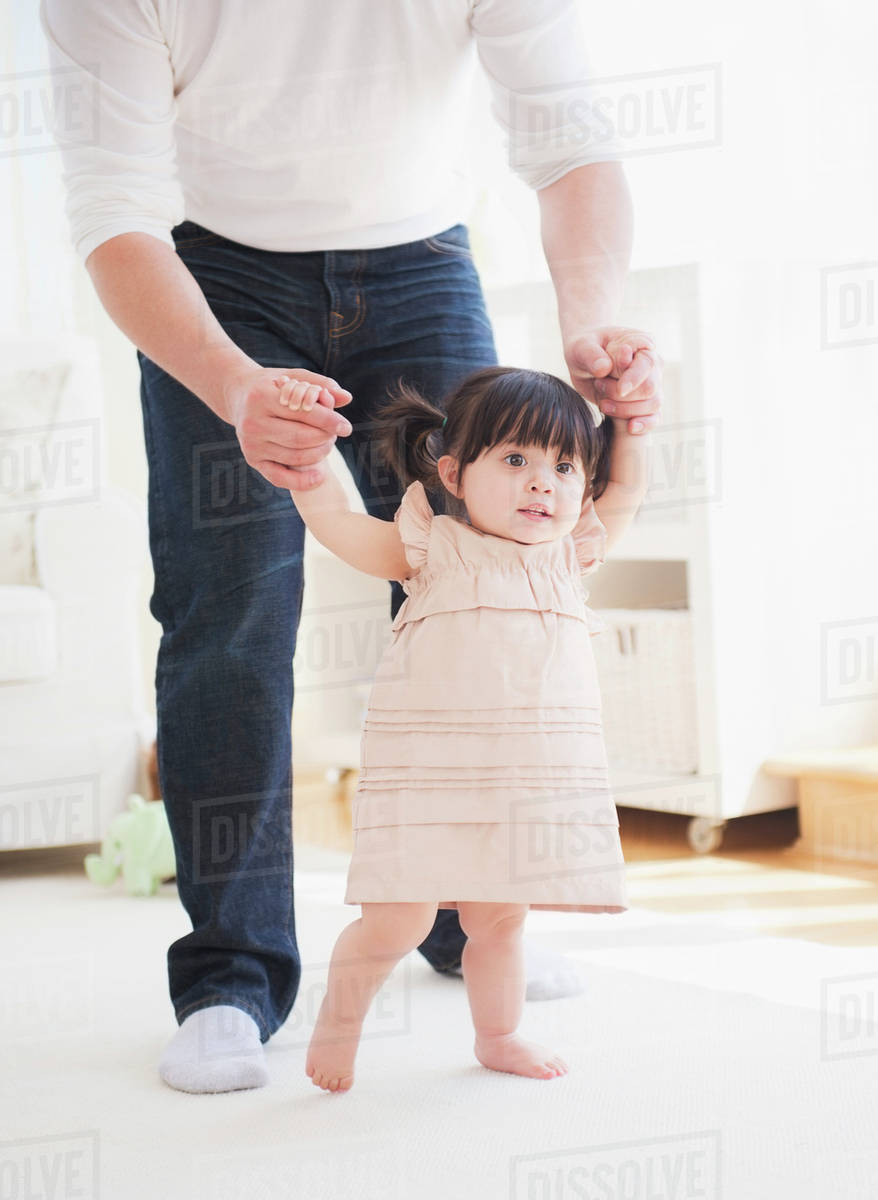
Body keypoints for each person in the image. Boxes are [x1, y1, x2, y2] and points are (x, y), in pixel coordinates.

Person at [40, 0, 662, 1094]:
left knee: (483, 596)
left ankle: (469, 921)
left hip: (422, 258)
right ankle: (231, 978)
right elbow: (113, 211)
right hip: (213, 275)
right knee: (228, 609)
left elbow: (569, 142)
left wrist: (589, 319)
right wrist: (234, 388)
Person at [283, 363, 652, 1091]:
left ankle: (499, 1033)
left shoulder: (568, 557)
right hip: (428, 775)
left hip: (520, 781)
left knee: (501, 921)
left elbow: (630, 487)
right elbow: (333, 522)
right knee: (398, 921)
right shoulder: (430, 548)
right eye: (516, 460)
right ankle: (342, 1019)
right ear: (453, 472)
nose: (543, 482)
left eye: (564, 466)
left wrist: (634, 422)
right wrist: (309, 458)